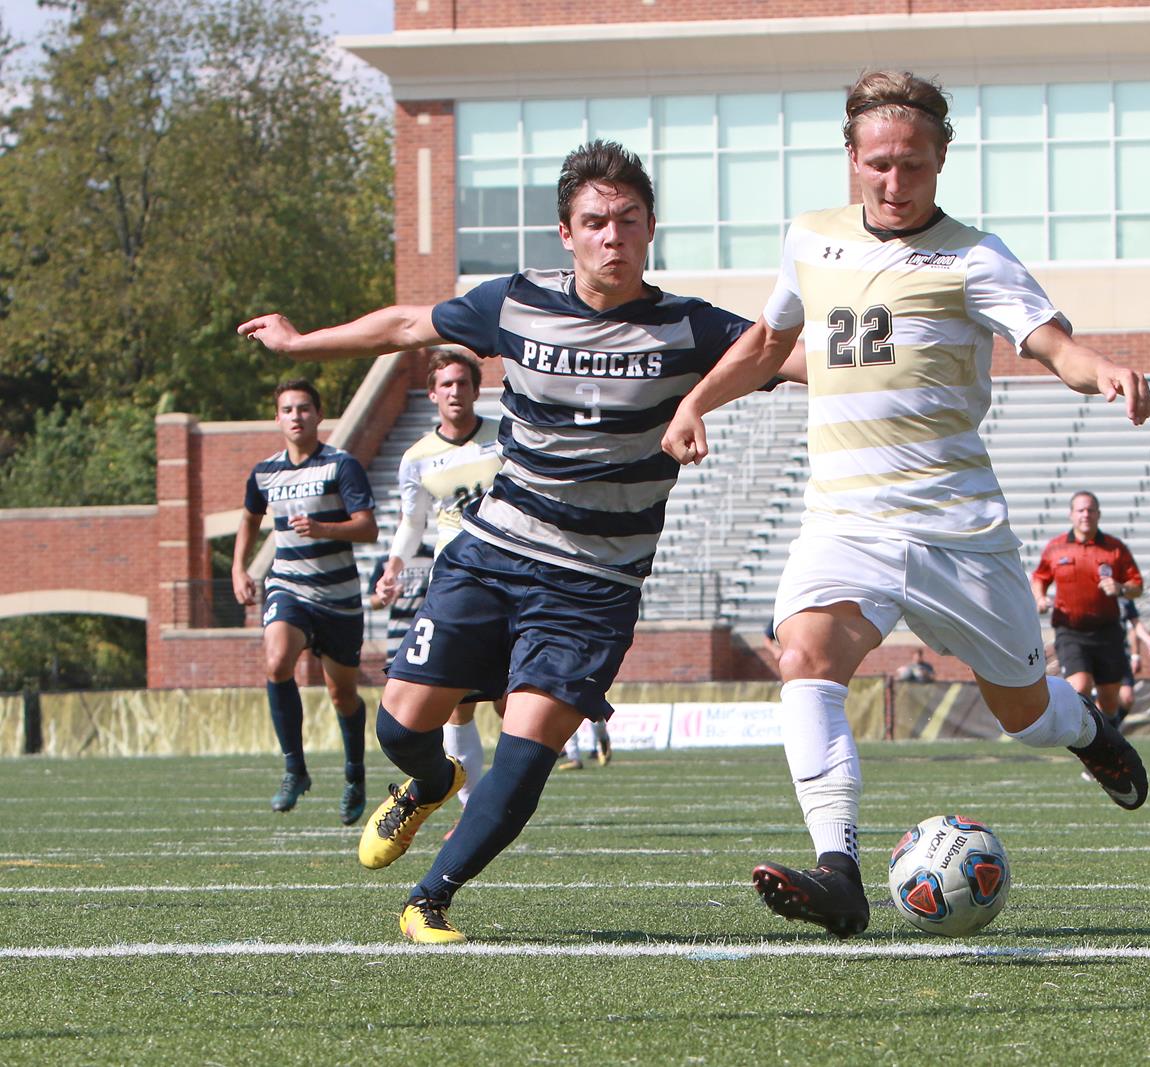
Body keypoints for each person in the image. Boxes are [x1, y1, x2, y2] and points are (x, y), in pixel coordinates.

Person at [238, 140, 800, 944]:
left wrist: (901, 352)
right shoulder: (514, 302)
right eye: (596, 222)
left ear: (650, 230)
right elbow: (405, 321)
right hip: (493, 553)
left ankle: (429, 898)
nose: (614, 236)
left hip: (594, 588)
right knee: (398, 727)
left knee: (529, 753)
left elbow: (793, 355)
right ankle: (430, 780)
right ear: (565, 233)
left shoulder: (692, 327)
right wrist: (299, 346)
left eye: (628, 221)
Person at [662, 70, 1150, 940]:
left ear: (942, 161)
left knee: (1027, 713)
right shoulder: (809, 239)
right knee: (803, 653)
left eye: (915, 167)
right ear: (851, 158)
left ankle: (1090, 736)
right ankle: (839, 872)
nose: (896, 184)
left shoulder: (975, 256)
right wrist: (699, 400)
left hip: (957, 532)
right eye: (881, 165)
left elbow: (1051, 343)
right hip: (845, 518)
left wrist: (1103, 371)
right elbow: (773, 340)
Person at [231, 379, 378, 825]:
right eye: (287, 409)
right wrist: (239, 568)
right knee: (276, 662)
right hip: (288, 588)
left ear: (318, 415)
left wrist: (325, 528)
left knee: (342, 694)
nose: (296, 416)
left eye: (304, 409)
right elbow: (250, 518)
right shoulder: (264, 472)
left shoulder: (341, 466)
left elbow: (367, 528)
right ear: (277, 419)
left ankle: (355, 774)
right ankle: (295, 769)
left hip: (338, 597)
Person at [373, 349, 505, 808]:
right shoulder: (416, 458)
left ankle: (505, 804)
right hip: (455, 588)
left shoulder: (503, 438)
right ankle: (471, 811)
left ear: (475, 388)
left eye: (462, 383)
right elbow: (413, 522)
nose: (454, 391)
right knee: (457, 704)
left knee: (512, 702)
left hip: (510, 581)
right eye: (445, 384)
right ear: (432, 393)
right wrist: (393, 567)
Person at [1032, 491, 1145, 723]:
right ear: (1071, 515)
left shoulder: (1114, 548)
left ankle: (1106, 737)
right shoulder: (1056, 548)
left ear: (1098, 514)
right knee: (1080, 686)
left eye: (1090, 510)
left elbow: (1137, 585)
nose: (1086, 515)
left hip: (1108, 630)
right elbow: (1039, 578)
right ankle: (1084, 739)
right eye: (1080, 510)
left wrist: (1121, 588)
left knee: (1111, 699)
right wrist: (1040, 598)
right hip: (1070, 631)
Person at [369, 543, 432, 666]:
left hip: (426, 630)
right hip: (397, 630)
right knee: (395, 675)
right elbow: (373, 602)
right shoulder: (386, 561)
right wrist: (387, 596)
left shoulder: (433, 556)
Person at [1116, 597, 1150, 727]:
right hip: (1096, 652)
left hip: (1119, 655)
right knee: (1101, 699)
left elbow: (1134, 624)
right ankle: (1100, 733)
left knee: (1127, 698)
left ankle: (1111, 730)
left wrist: (1147, 641)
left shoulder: (1124, 596)